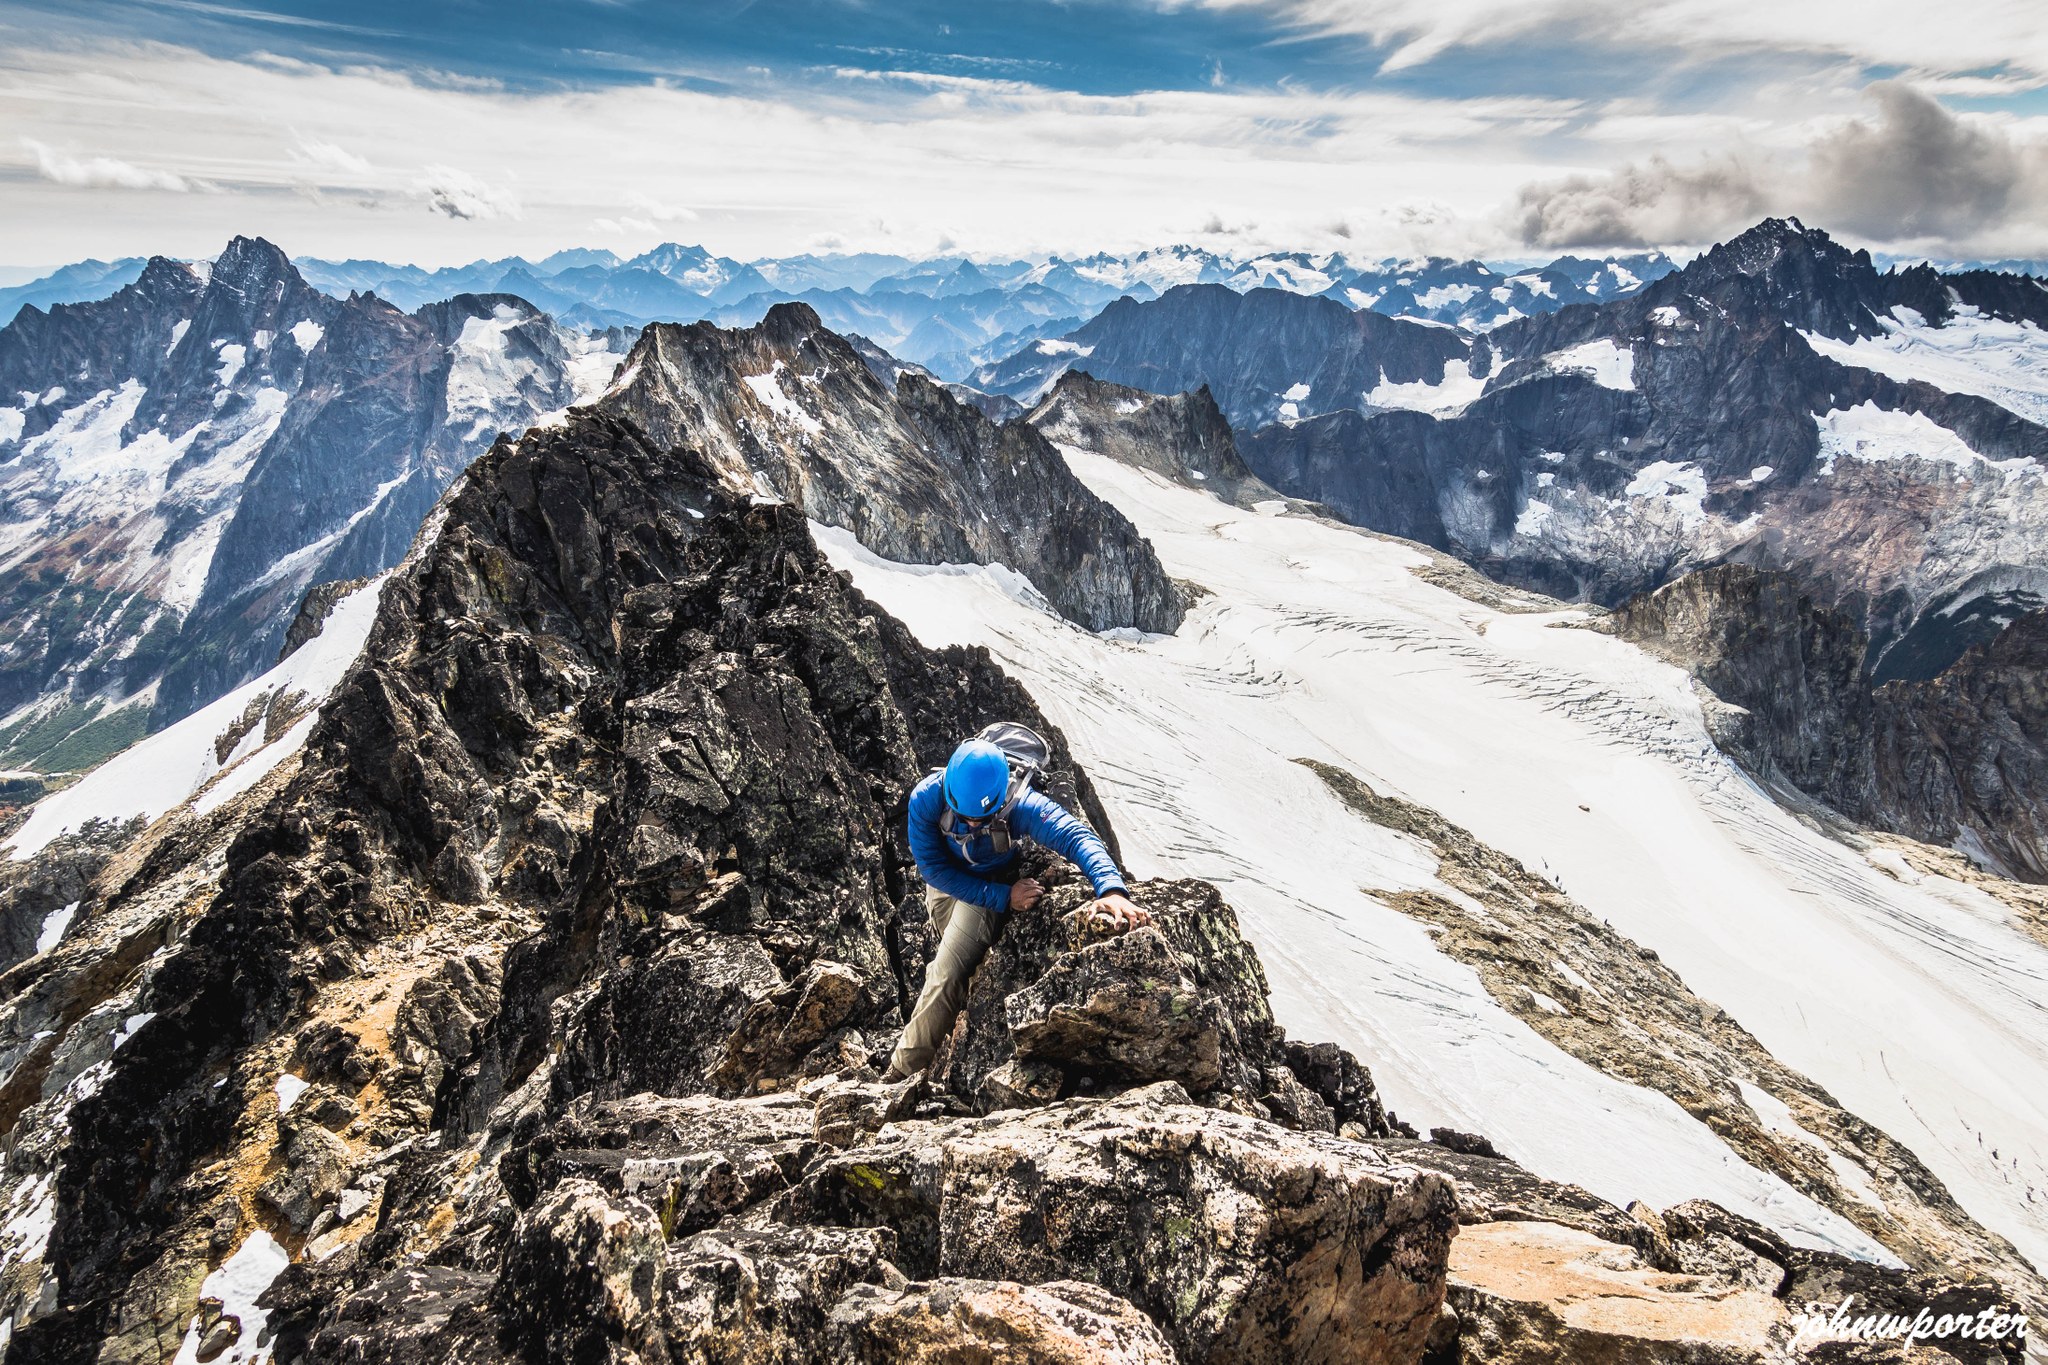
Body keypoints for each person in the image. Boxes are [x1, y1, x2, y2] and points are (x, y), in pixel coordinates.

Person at [884, 735, 1149, 1081]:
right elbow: (933, 870)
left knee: (946, 973)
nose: (972, 824)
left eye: (982, 818)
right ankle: (948, 1010)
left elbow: (1075, 836)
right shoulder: (926, 798)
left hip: (989, 881)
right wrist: (1005, 897)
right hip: (949, 881)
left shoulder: (1020, 805)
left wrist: (1111, 889)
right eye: (965, 816)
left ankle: (899, 1073)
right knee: (950, 962)